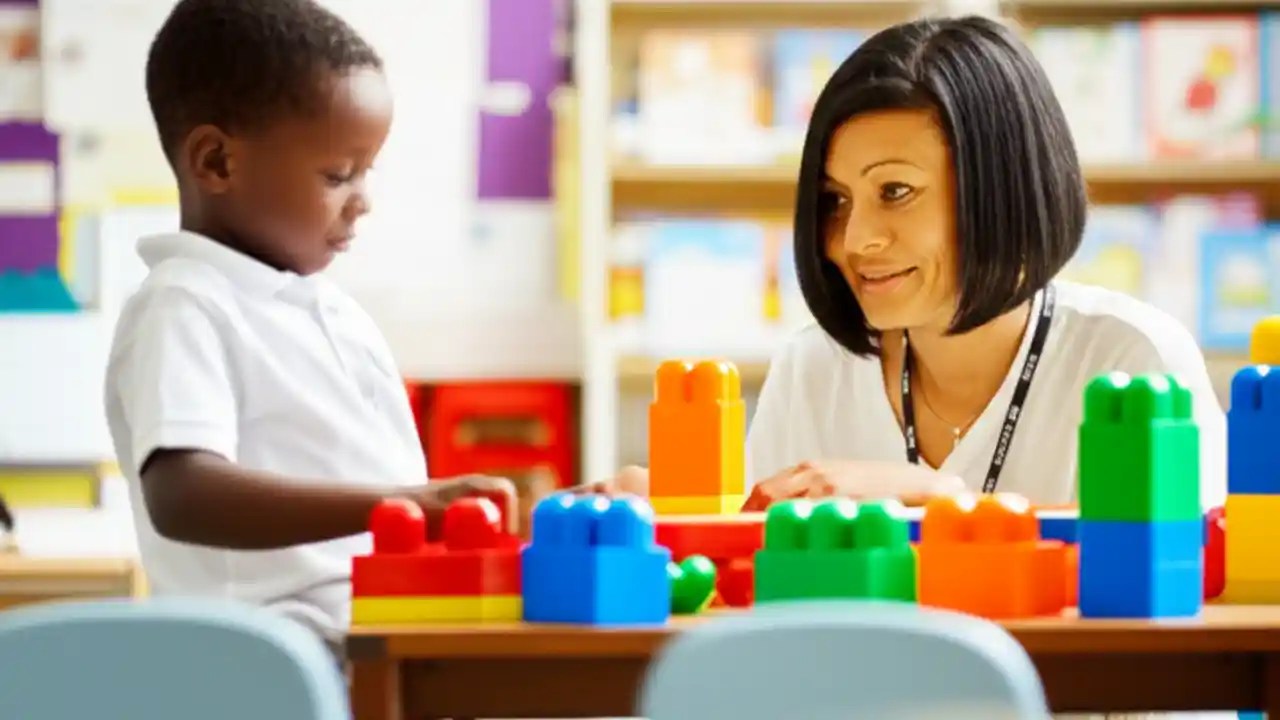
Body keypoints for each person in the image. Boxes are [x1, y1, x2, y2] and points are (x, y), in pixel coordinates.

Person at [609, 15, 1227, 518]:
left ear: (1003, 188)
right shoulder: (815, 368)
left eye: (895, 192)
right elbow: (760, 578)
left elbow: (1188, 573)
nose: (855, 240)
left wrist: (942, 503)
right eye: (836, 202)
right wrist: (669, 519)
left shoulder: (1133, 361)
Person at [103, 0, 515, 660]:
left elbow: (390, 521)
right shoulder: (184, 303)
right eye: (337, 175)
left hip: (373, 641)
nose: (363, 199)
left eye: (367, 171)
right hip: (271, 665)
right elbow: (182, 494)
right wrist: (403, 502)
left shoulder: (333, 314)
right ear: (216, 163)